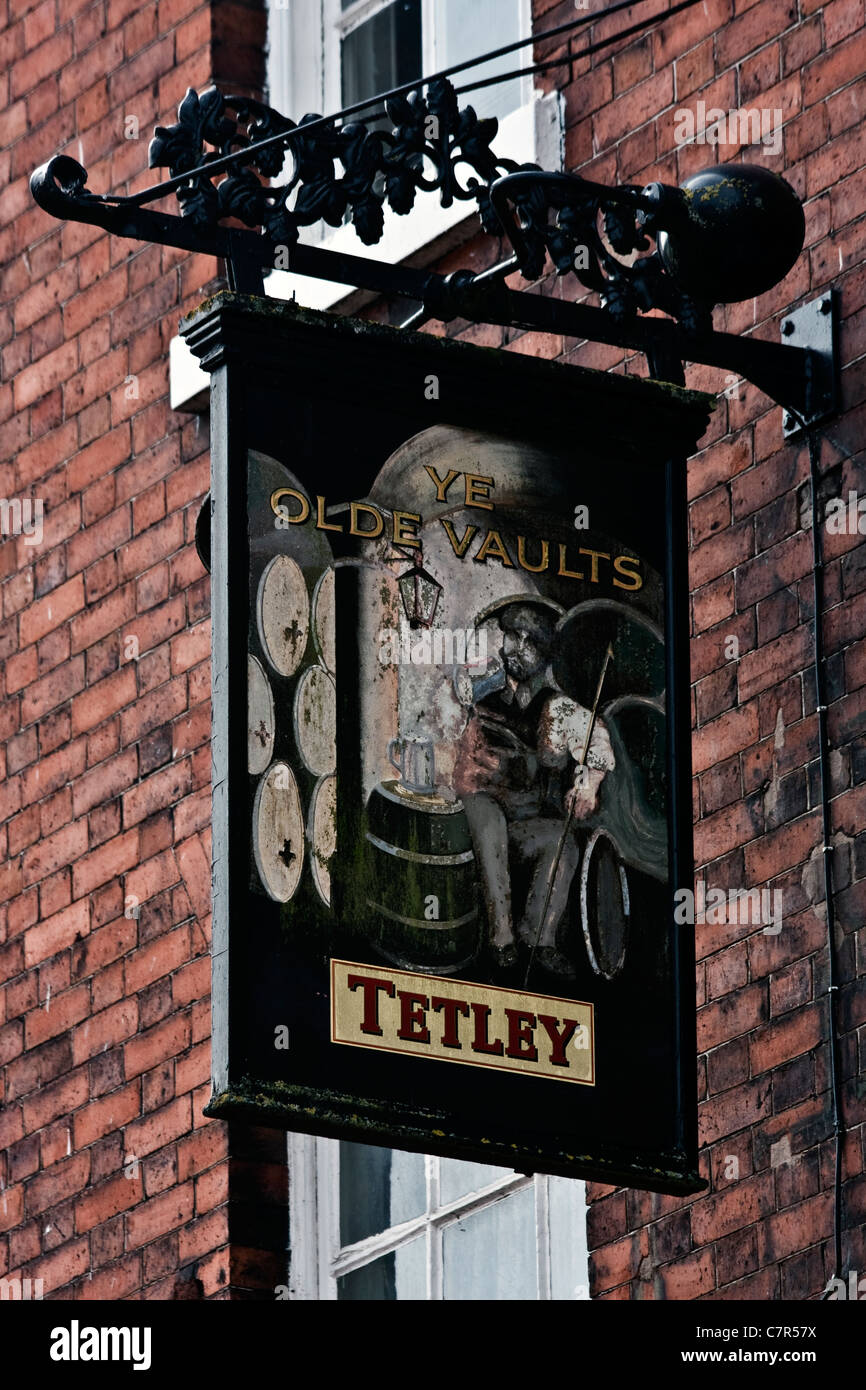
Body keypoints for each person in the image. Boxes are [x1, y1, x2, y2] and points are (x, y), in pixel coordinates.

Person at [453, 601, 615, 974]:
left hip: (524, 822)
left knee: (561, 841)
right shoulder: (477, 693)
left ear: (544, 656)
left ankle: (537, 939)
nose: (520, 648)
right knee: (484, 815)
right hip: (479, 815)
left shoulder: (554, 709)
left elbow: (597, 743)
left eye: (532, 643)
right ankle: (502, 940)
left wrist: (586, 787)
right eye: (515, 637)